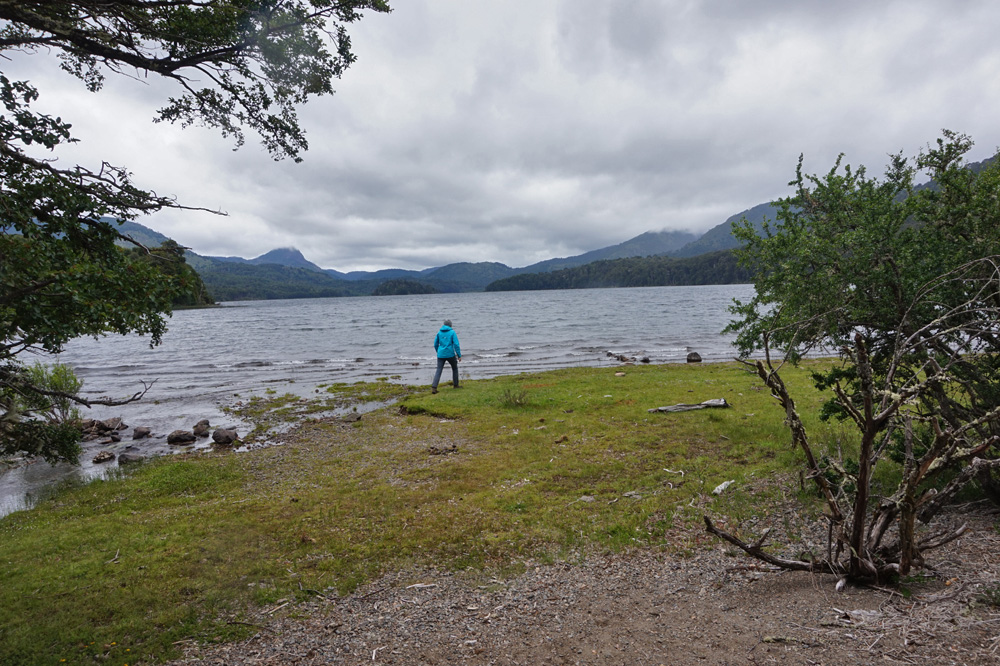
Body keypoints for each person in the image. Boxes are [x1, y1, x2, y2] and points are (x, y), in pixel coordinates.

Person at [431, 319, 461, 393]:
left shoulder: (439, 332)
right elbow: (456, 344)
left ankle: (434, 387)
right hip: (450, 354)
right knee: (454, 368)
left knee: (439, 370)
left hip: (441, 354)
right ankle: (456, 385)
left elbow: (435, 344)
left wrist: (438, 351)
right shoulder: (452, 332)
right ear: (450, 325)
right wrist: (459, 355)